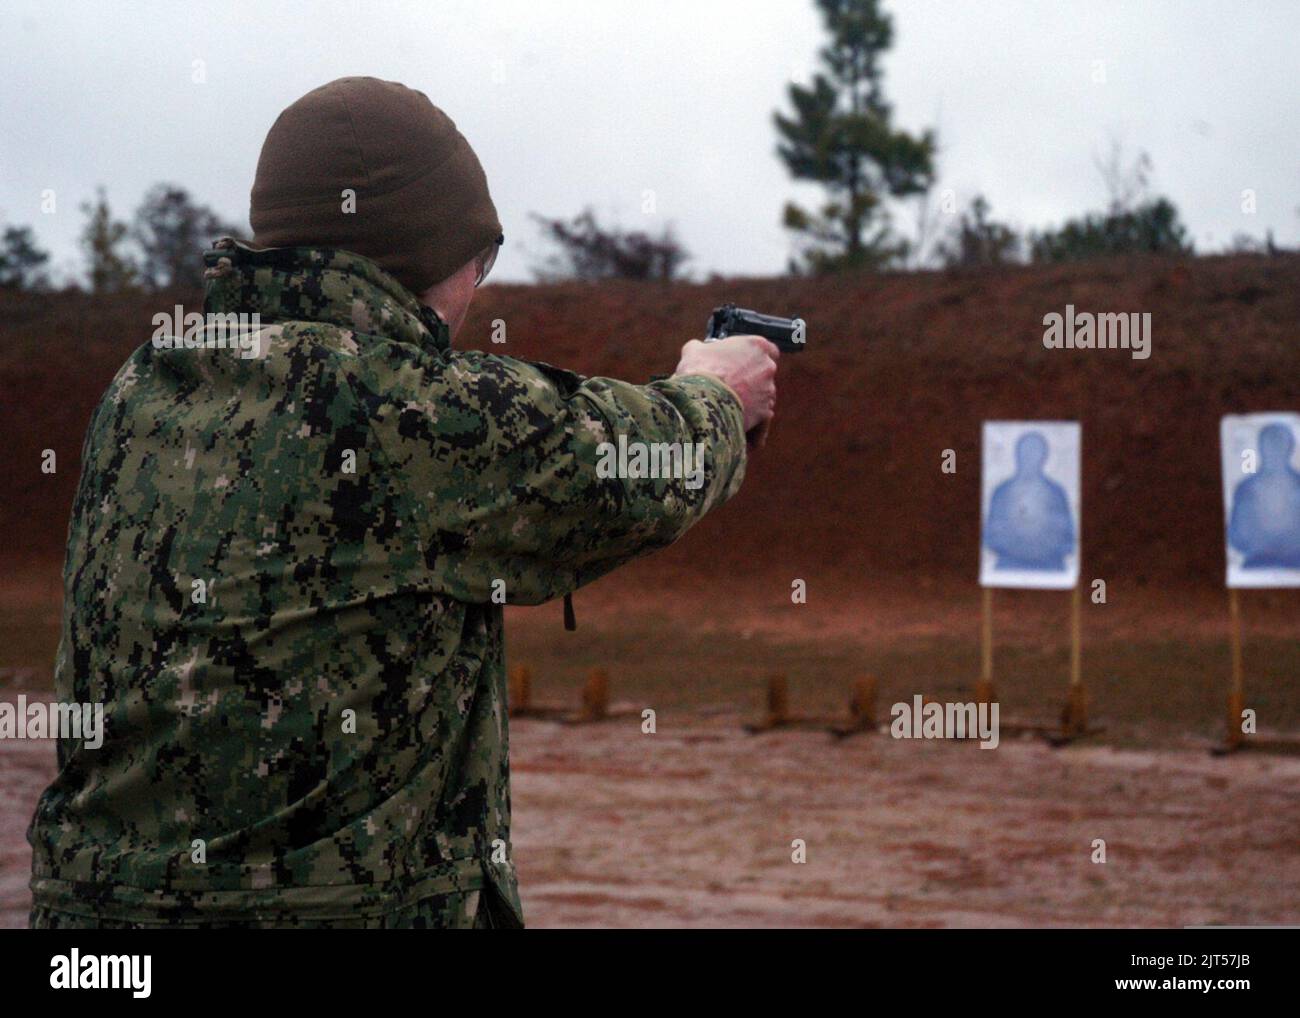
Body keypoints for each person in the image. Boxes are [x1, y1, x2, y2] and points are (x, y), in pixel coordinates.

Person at [28, 76, 778, 929]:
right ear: (419, 255)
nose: (478, 288)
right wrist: (717, 390)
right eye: (478, 258)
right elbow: (638, 470)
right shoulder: (402, 408)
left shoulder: (144, 384)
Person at [983, 431, 1074, 572]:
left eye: (1035, 453)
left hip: (1049, 566)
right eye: (1025, 453)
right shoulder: (1001, 492)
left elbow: (1067, 539)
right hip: (1009, 565)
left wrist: (1043, 545)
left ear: (1044, 457)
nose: (1030, 458)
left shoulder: (1057, 493)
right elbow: (991, 537)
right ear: (1017, 455)